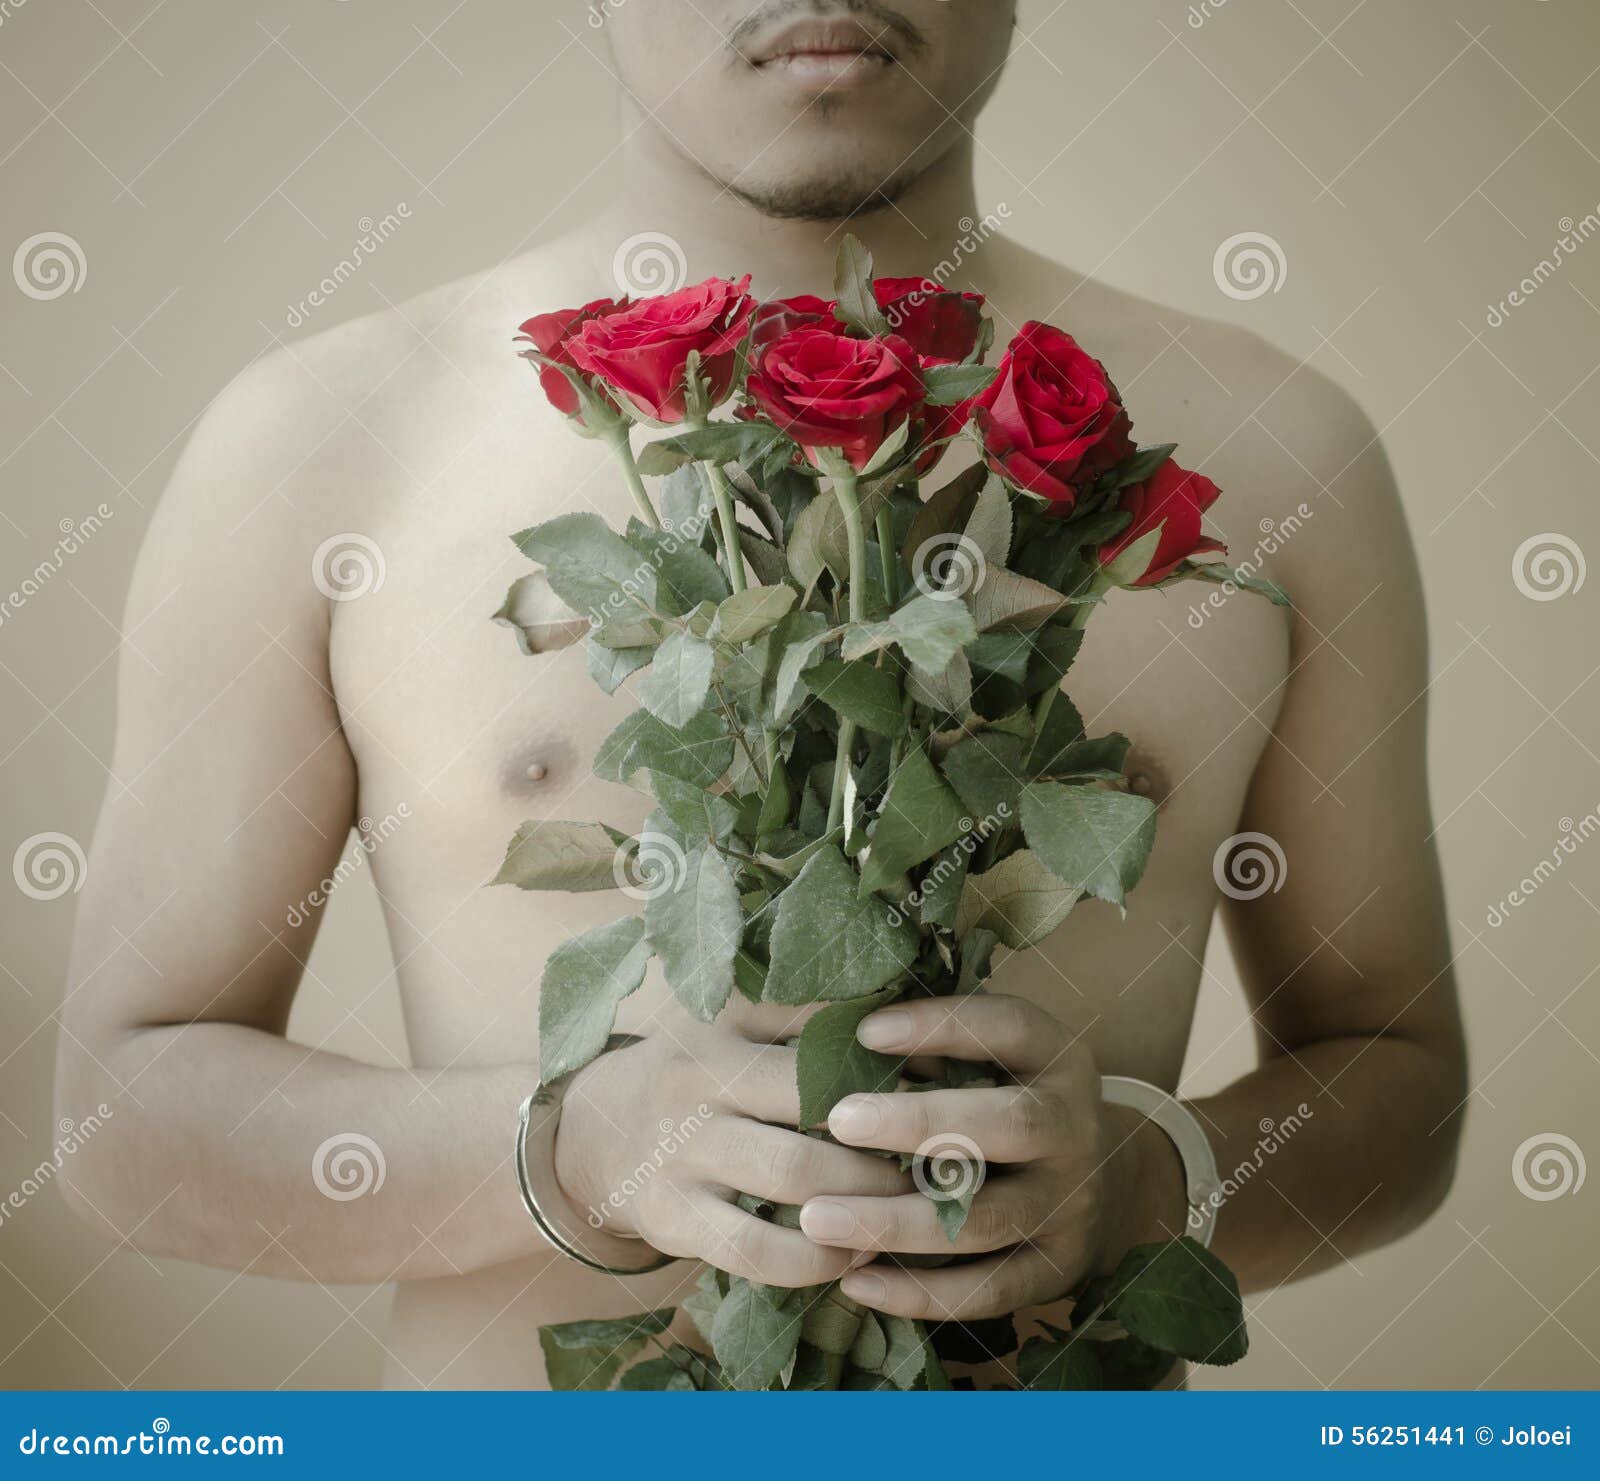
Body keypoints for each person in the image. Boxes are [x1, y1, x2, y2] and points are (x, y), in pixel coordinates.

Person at [56, 0, 1465, 1389]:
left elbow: (1398, 1077)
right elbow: (118, 1114)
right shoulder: (322, 444)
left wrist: (1147, 1184)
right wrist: (576, 1150)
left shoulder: (1286, 460)